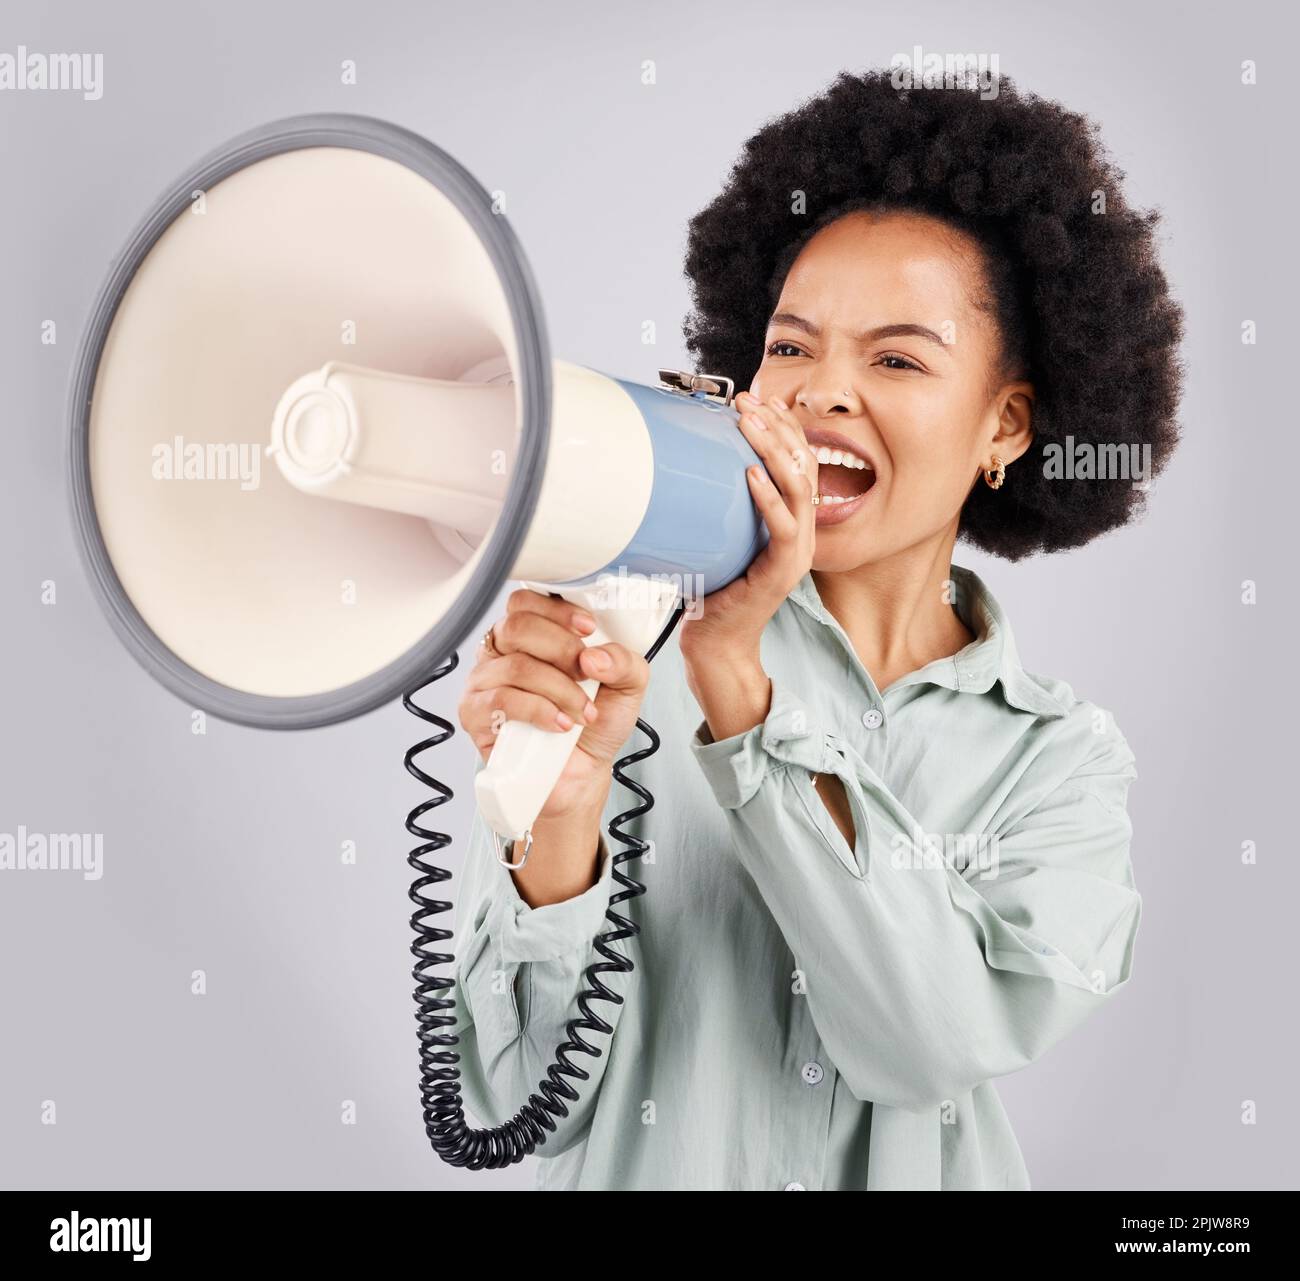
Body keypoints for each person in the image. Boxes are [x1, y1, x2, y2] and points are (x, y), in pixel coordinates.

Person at [448, 67, 1184, 1190]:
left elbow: (923, 1044)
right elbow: (508, 1109)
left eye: (895, 359)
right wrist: (555, 833)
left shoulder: (1058, 766)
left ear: (1006, 426)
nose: (817, 394)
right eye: (789, 348)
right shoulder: (624, 655)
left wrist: (743, 689)